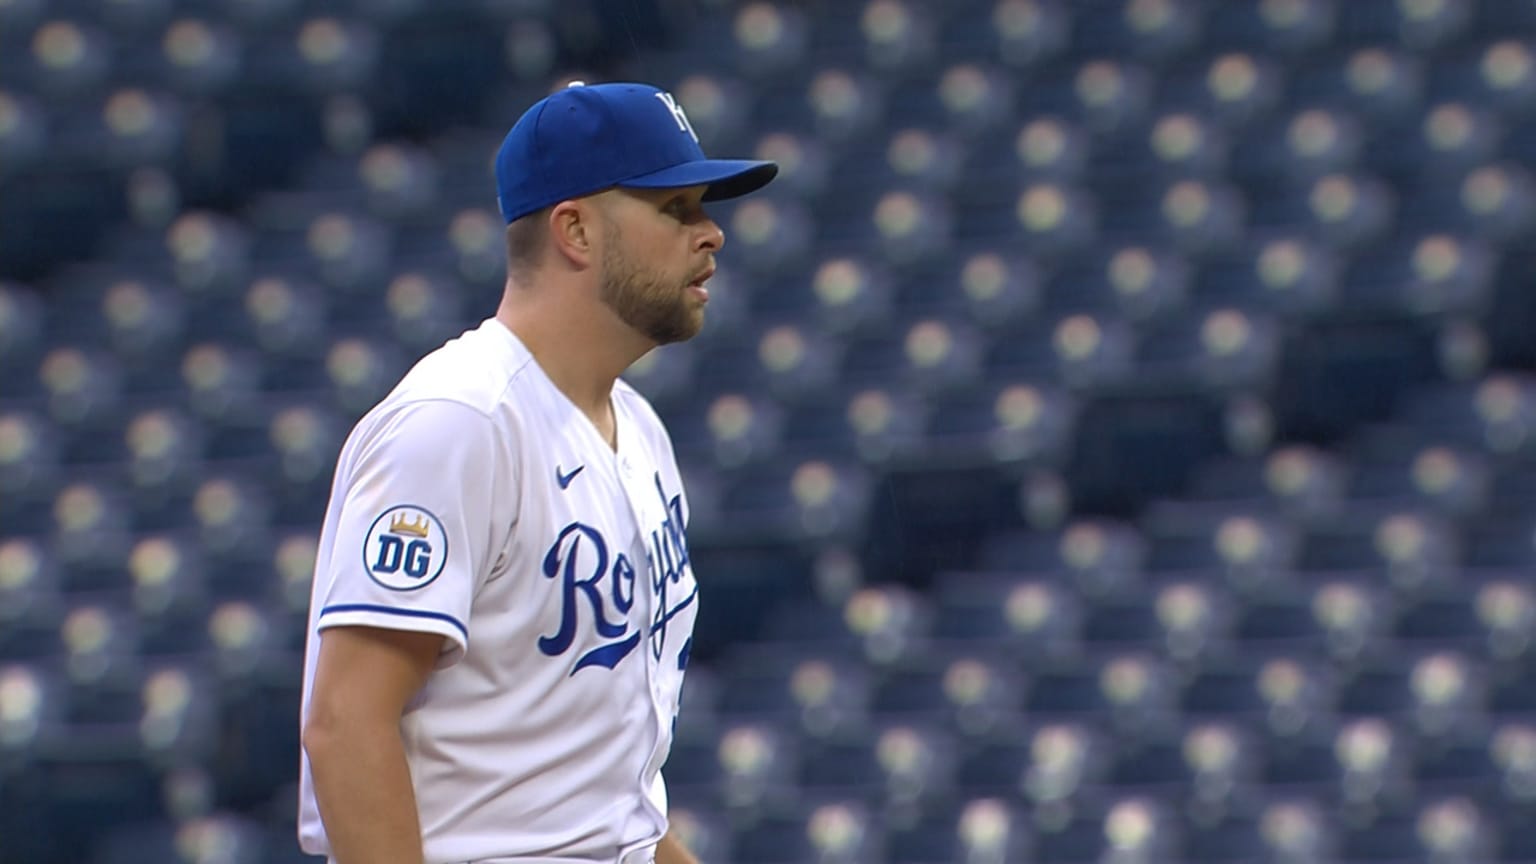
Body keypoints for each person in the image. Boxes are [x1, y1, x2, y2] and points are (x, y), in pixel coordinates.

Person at [296, 80, 778, 864]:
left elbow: (607, 807)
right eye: (676, 208)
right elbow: (345, 723)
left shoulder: (642, 433)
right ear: (576, 230)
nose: (713, 233)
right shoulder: (461, 422)